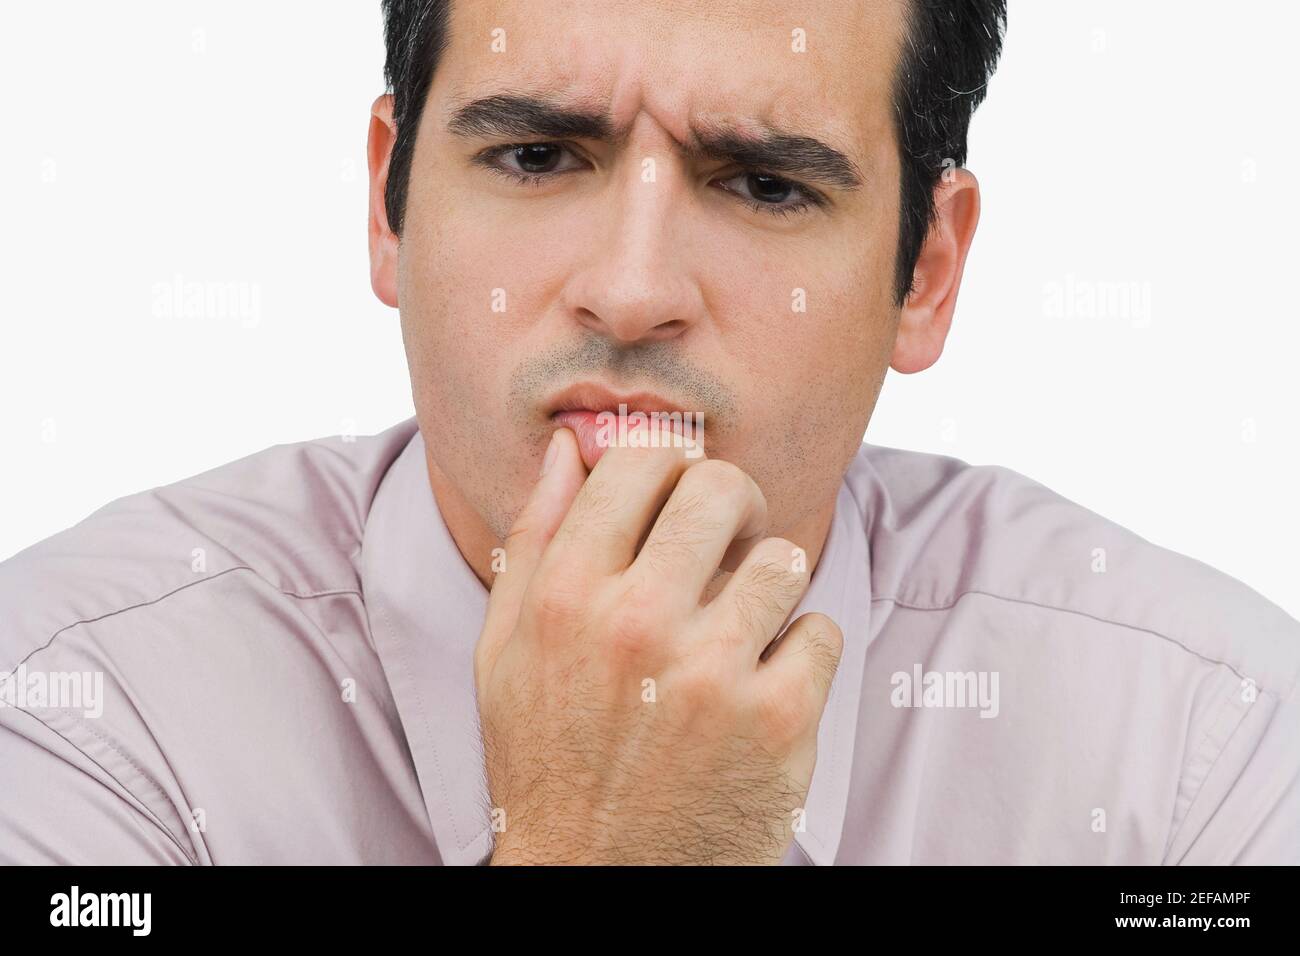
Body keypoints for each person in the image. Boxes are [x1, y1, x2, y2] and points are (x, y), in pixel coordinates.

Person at [1, 0, 1295, 865]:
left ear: (926, 277)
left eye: (766, 183)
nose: (629, 290)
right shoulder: (76, 713)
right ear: (389, 206)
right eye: (537, 158)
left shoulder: (1204, 745)